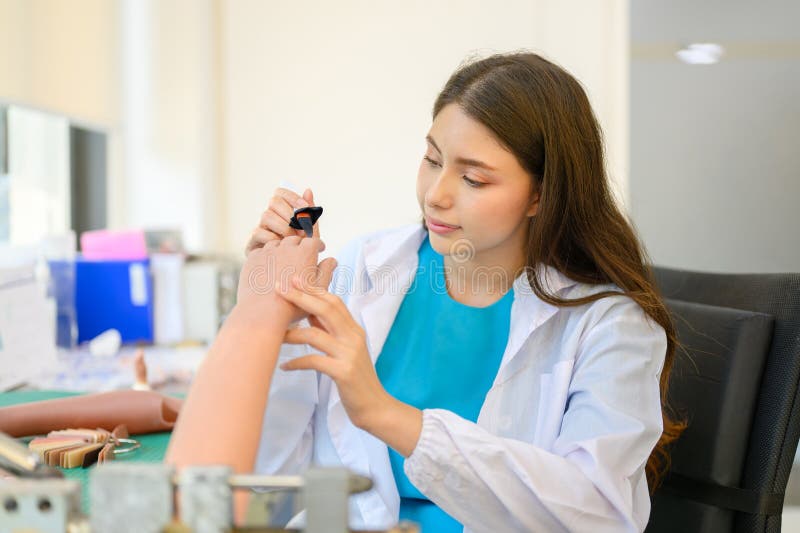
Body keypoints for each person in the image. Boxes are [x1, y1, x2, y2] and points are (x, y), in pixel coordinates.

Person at [171, 51, 684, 533]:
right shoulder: (363, 269)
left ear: (540, 196)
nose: (435, 195)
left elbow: (600, 512)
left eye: (474, 180)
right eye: (433, 159)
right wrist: (268, 309)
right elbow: (265, 478)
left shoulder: (609, 325)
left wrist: (386, 415)